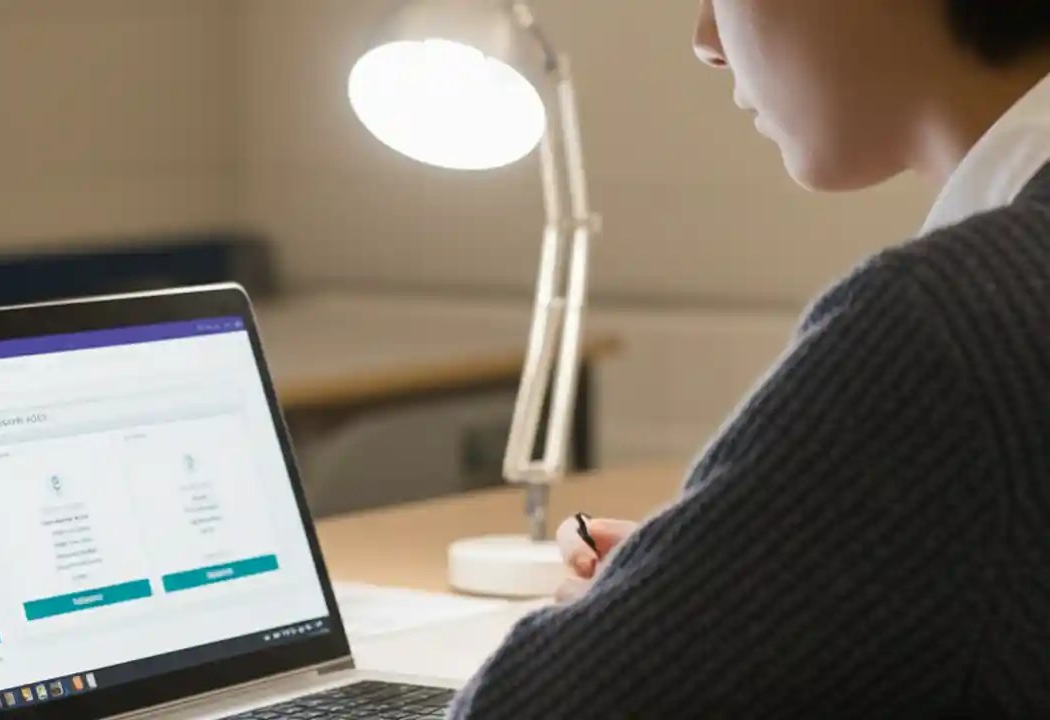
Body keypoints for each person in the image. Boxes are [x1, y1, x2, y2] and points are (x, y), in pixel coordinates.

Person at [450, 1, 1050, 717]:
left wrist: (650, 617)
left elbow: (524, 710)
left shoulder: (954, 326)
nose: (707, 41)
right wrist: (751, 567)